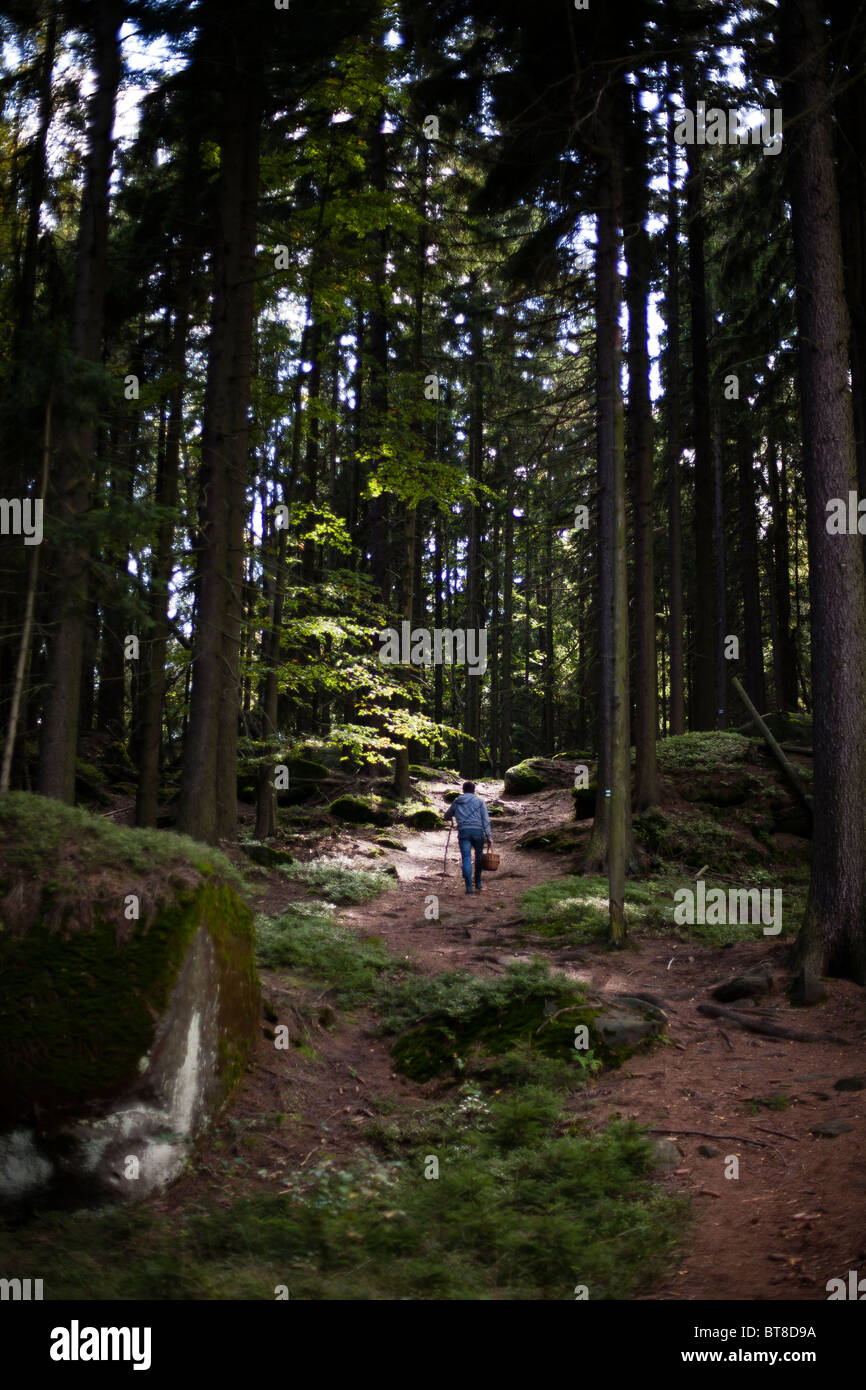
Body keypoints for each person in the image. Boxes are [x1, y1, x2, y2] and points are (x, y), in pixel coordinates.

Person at [443, 780, 493, 894]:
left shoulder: (457, 801)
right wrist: (489, 836)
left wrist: (450, 817)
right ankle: (478, 883)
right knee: (479, 857)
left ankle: (469, 887)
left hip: (464, 832)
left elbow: (447, 815)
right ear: (474, 790)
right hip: (478, 832)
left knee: (466, 858)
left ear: (463, 790)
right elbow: (485, 819)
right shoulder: (480, 801)